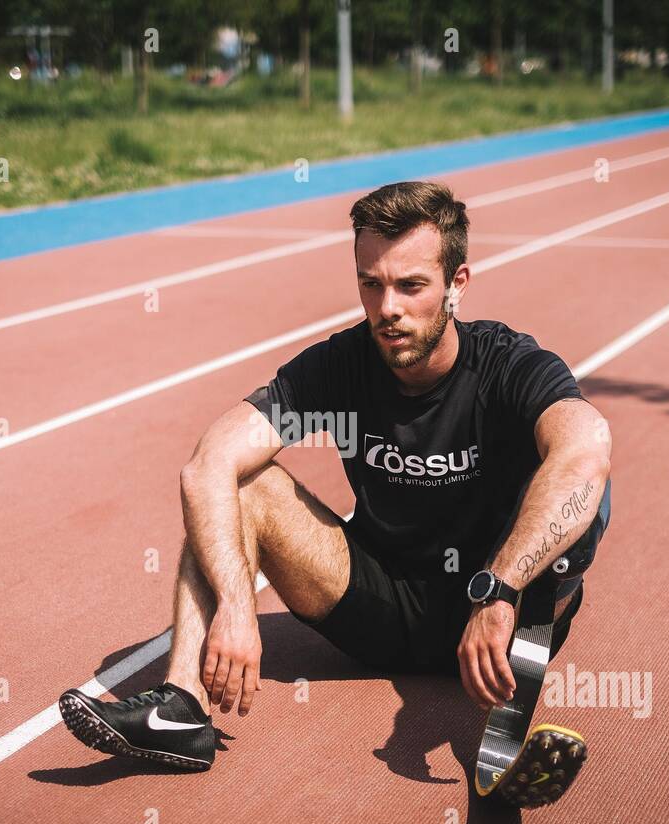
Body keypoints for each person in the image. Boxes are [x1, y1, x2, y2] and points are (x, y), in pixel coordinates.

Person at [60, 180, 612, 771]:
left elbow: (587, 449)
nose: (388, 308)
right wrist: (236, 602)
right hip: (381, 603)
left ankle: (508, 714)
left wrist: (498, 588)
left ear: (458, 285)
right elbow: (208, 464)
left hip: (494, 609)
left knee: (575, 492)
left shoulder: (507, 367)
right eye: (370, 285)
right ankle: (180, 708)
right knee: (243, 484)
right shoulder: (340, 367)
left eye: (411, 285)